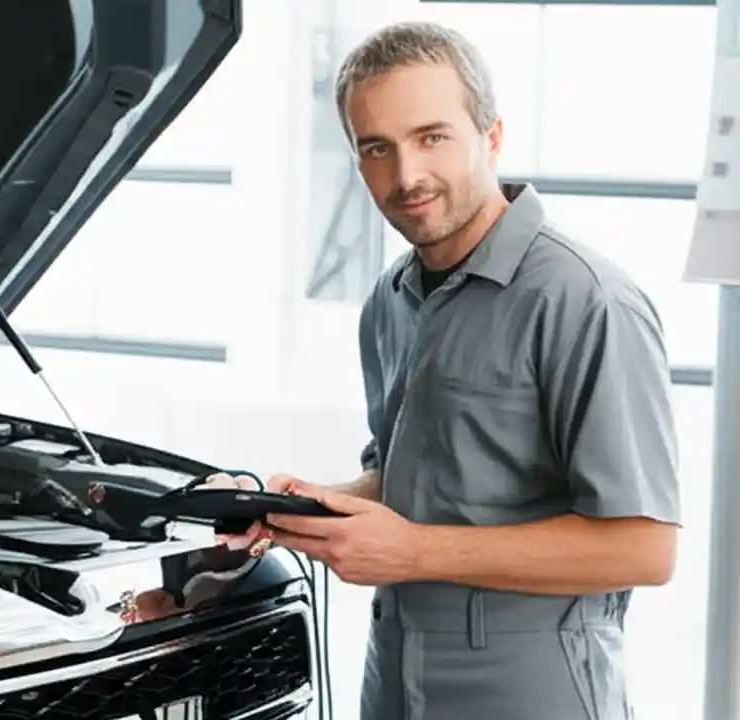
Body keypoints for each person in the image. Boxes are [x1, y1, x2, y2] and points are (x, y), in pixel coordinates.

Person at [210, 20, 680, 720]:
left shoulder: (585, 300)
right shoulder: (389, 301)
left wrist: (414, 553)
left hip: (533, 689)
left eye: (432, 137)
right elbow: (409, 482)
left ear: (490, 136)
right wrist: (288, 510)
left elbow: (645, 549)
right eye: (377, 148)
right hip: (394, 678)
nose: (406, 177)